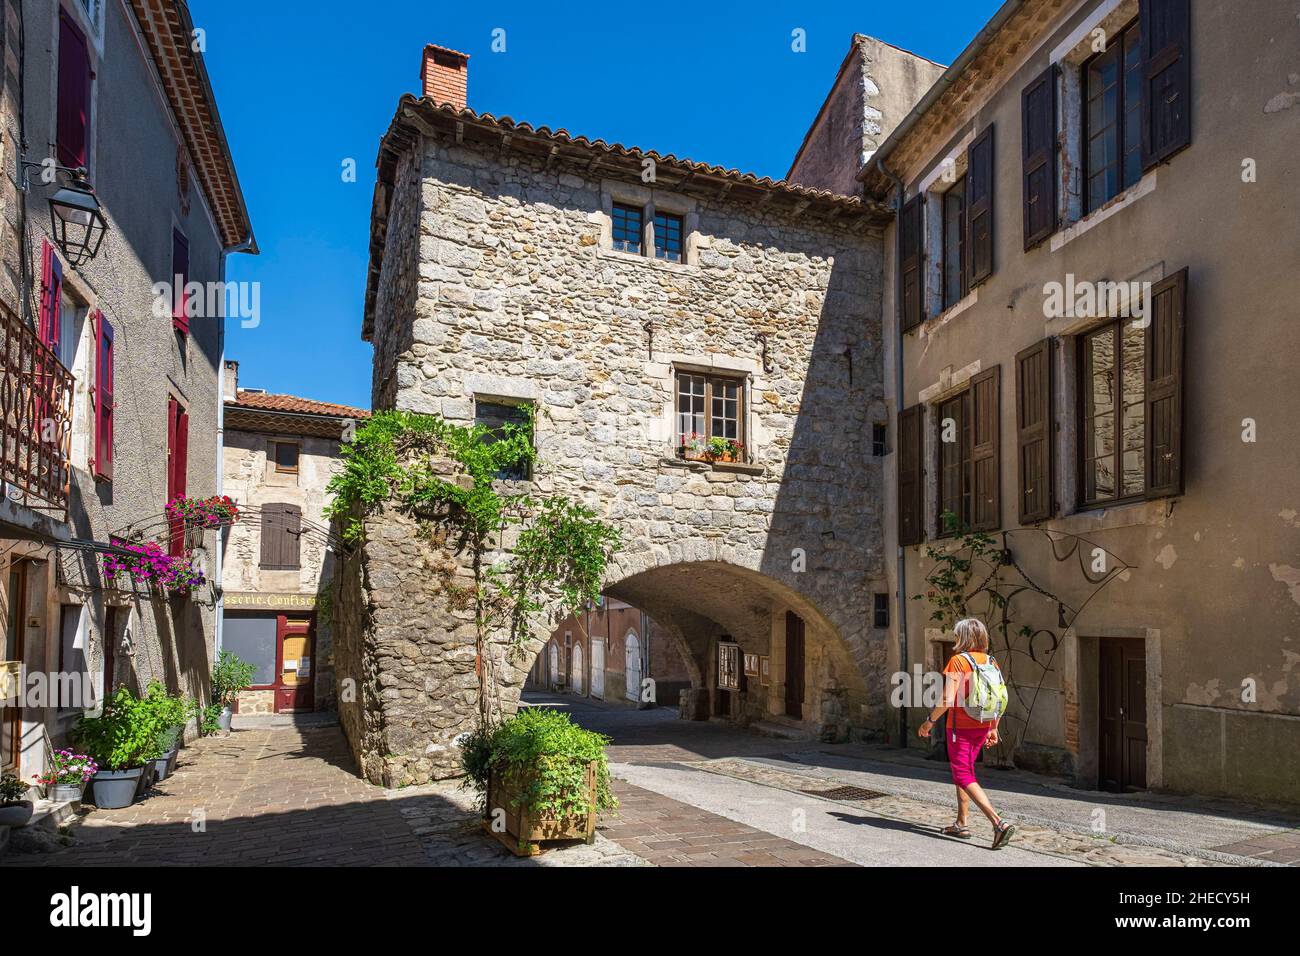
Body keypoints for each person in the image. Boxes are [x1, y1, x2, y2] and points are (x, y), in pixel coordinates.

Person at [917, 618, 1016, 849]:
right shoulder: (991, 661)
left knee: (962, 774)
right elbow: (999, 698)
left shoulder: (958, 661)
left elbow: (947, 698)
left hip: (960, 727)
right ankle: (962, 823)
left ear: (962, 637)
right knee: (965, 771)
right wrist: (993, 727)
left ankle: (998, 823)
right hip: (982, 725)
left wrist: (929, 722)